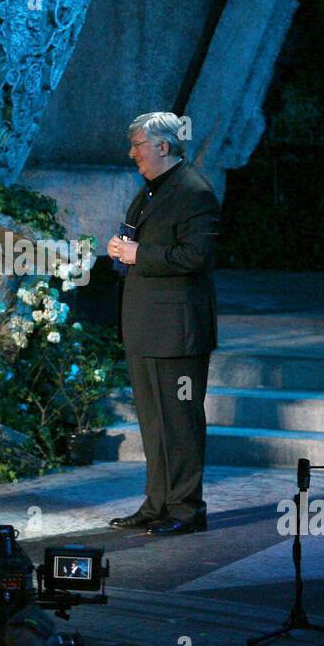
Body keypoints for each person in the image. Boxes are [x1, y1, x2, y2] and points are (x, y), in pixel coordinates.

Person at [105, 112, 220, 537]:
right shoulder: (151, 192)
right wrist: (122, 250)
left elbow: (196, 257)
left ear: (164, 146)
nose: (132, 152)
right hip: (146, 326)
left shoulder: (194, 192)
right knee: (154, 423)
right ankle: (156, 504)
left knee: (180, 423)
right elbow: (142, 241)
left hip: (177, 330)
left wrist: (138, 255)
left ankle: (187, 509)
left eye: (138, 144)